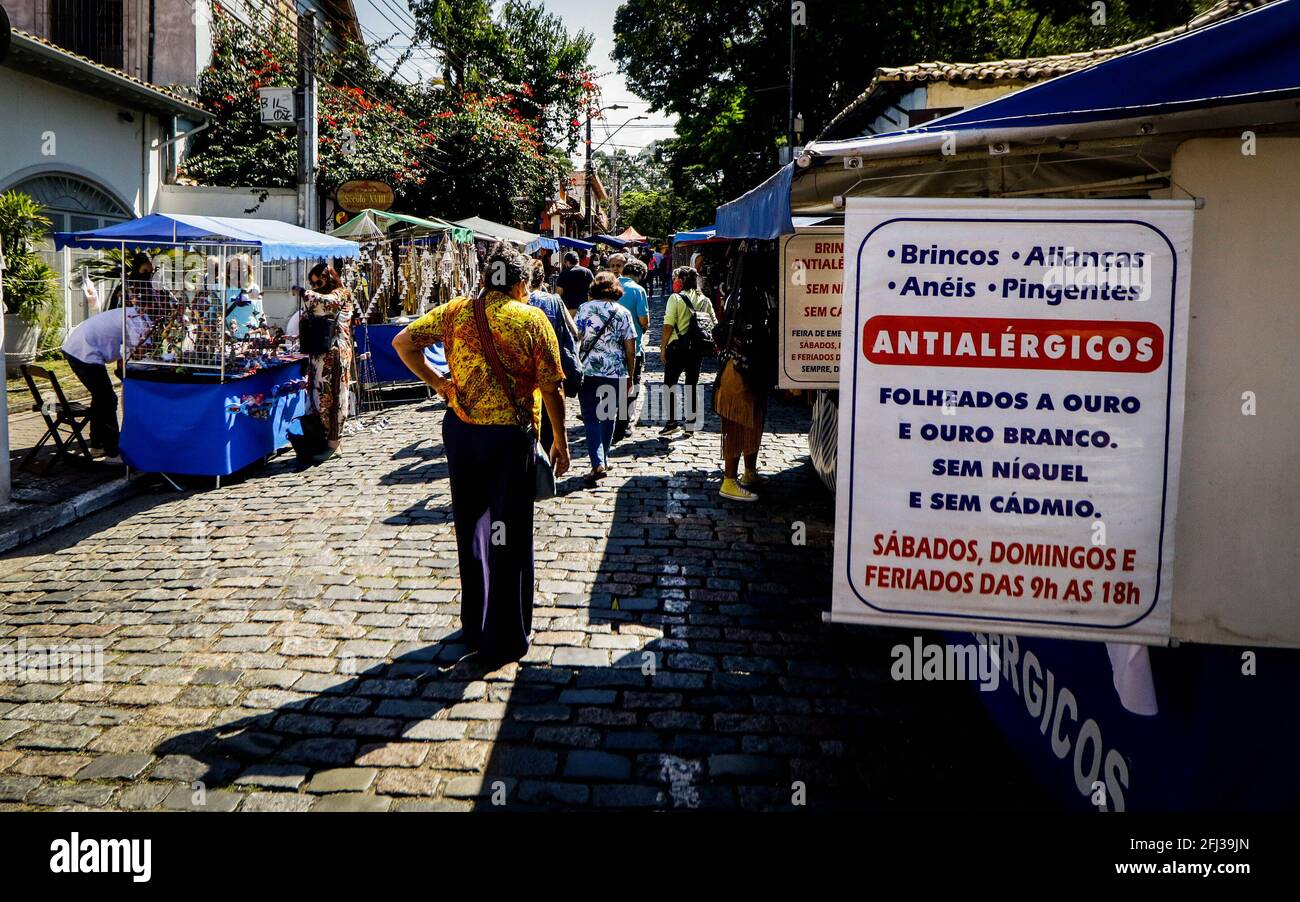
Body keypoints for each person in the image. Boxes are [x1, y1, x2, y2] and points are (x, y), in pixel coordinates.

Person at [392, 243, 569, 668]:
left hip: (462, 433)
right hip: (509, 439)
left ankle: (475, 621)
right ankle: (503, 635)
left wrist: (439, 384)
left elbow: (403, 342)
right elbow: (552, 387)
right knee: (507, 531)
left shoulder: (455, 311)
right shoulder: (531, 318)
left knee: (472, 528)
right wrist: (560, 440)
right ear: (520, 281)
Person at [61, 304, 152, 464]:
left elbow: (129, 351)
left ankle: (97, 445)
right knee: (108, 400)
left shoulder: (132, 314)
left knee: (101, 398)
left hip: (80, 348)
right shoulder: (137, 319)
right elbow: (140, 350)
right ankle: (112, 451)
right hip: (84, 352)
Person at [574, 272, 637, 485]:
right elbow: (630, 348)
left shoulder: (585, 308)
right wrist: (630, 373)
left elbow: (578, 337)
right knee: (608, 417)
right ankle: (605, 458)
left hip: (589, 371)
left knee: (591, 418)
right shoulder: (624, 312)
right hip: (615, 372)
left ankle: (597, 462)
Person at [300, 263, 354, 462]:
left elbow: (326, 303)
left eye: (319, 281)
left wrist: (305, 293)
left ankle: (334, 443)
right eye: (312, 283)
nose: (315, 286)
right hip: (318, 352)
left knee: (335, 396)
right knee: (318, 395)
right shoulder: (321, 294)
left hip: (335, 352)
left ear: (329, 278)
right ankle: (323, 439)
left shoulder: (342, 293)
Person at [527, 259, 580, 452]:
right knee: (549, 425)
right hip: (549, 369)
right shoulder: (553, 300)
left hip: (521, 374)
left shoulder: (513, 301)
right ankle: (547, 469)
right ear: (543, 279)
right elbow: (574, 331)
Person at [659, 266, 716, 438]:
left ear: (681, 280)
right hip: (697, 348)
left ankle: (671, 423)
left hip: (676, 347)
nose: (674, 280)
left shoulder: (675, 298)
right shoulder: (704, 299)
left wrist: (662, 348)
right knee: (691, 384)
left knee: (670, 384)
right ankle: (690, 424)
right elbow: (714, 322)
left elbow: (668, 324)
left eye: (676, 277)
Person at [606, 254, 648, 443]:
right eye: (612, 265)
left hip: (608, 347)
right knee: (630, 385)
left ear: (625, 267)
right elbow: (643, 320)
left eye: (618, 265)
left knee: (609, 384)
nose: (615, 269)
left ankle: (606, 422)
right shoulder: (638, 290)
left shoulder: (604, 288)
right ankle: (622, 425)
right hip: (633, 346)